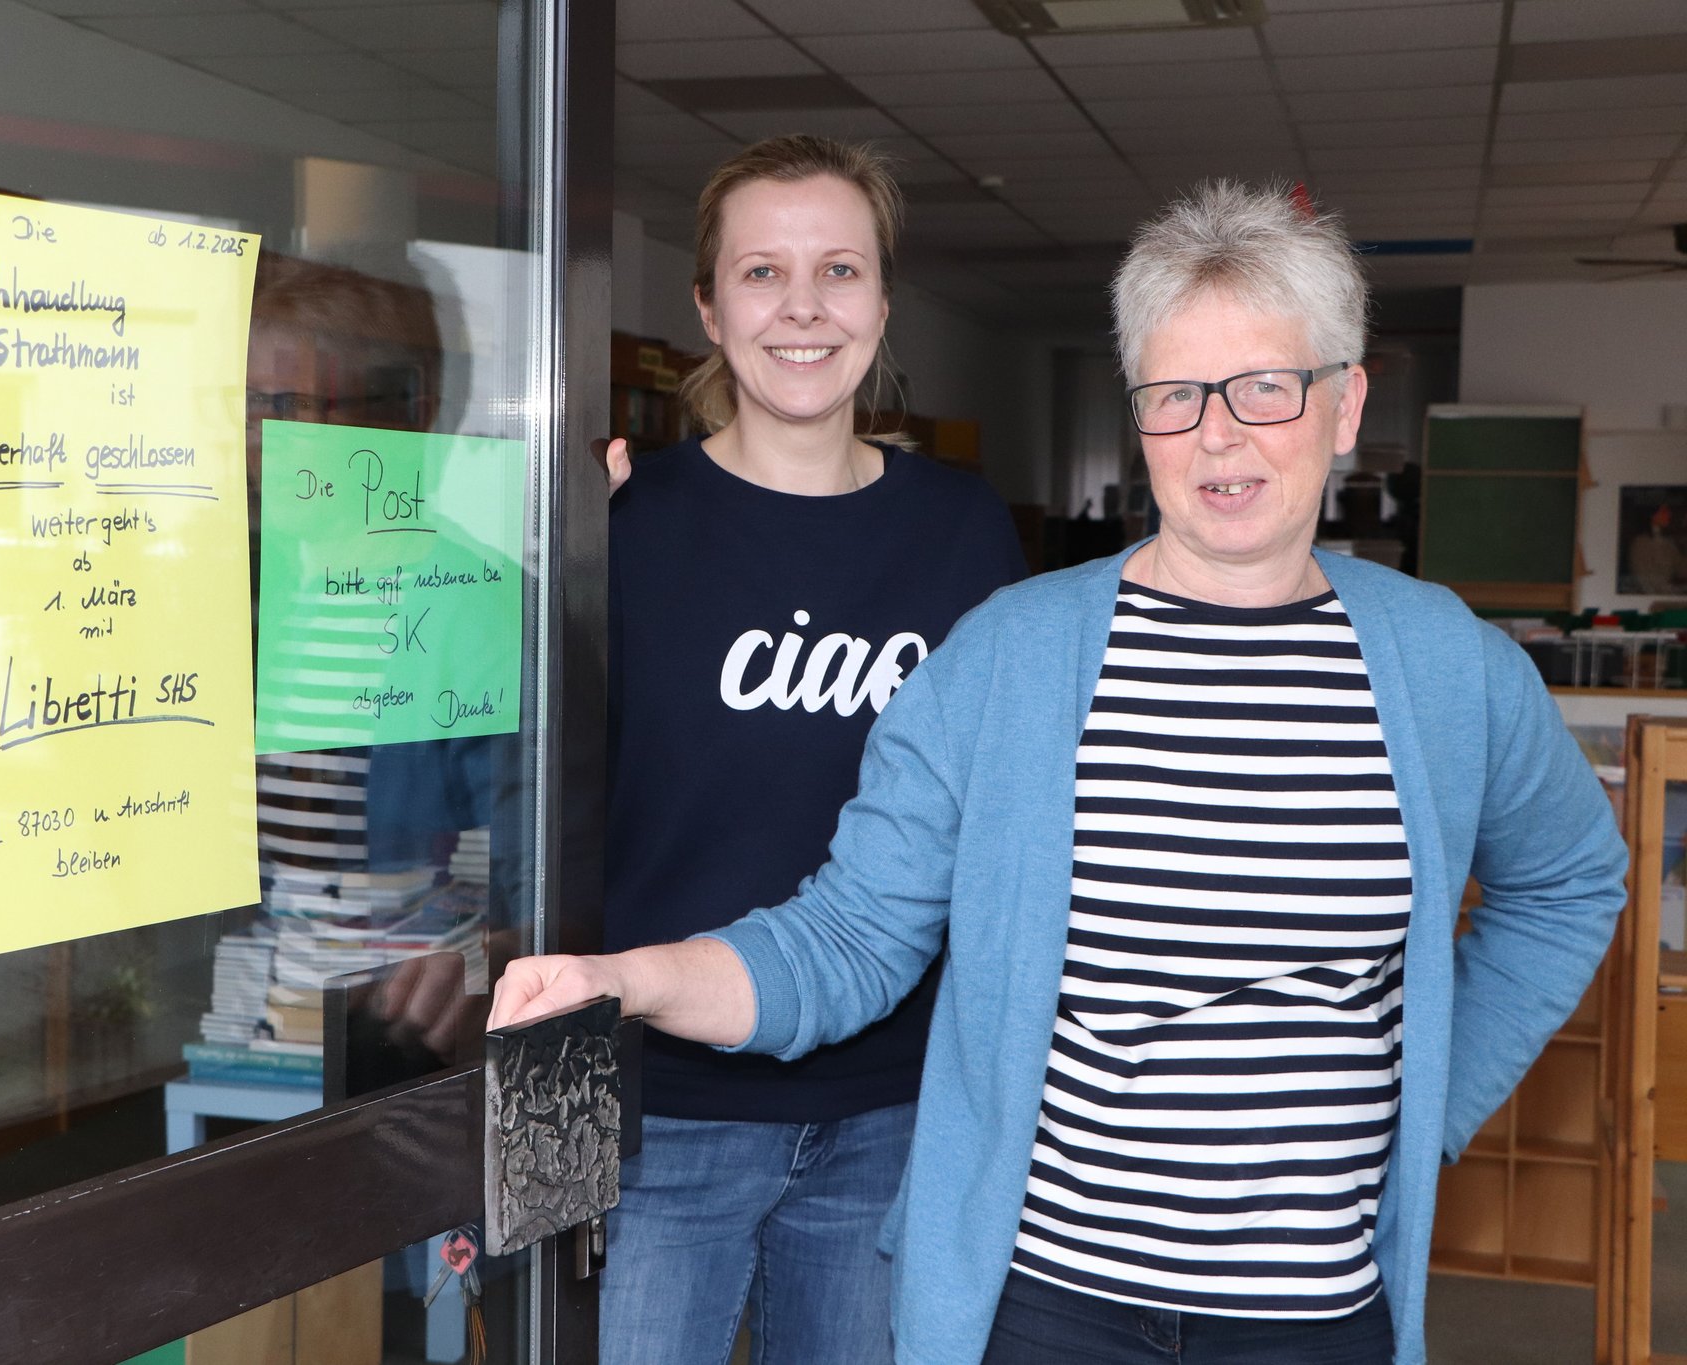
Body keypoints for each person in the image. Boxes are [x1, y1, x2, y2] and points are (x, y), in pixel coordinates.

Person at [492, 181, 1627, 1365]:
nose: (1218, 435)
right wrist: (628, 978)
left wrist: (1425, 1108)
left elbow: (1568, 885)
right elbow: (850, 936)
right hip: (1046, 1308)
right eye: (1174, 396)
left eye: (1264, 388)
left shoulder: (1447, 663)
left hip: (1317, 1315)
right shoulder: (1012, 652)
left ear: (1342, 405)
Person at [596, 135, 1027, 1365]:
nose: (800, 308)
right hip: (661, 1112)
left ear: (883, 302)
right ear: (706, 306)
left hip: (893, 1109)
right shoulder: (624, 527)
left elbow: (1003, 810)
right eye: (760, 273)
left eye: (837, 270)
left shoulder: (960, 528)